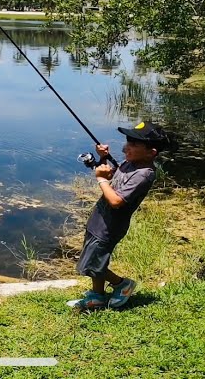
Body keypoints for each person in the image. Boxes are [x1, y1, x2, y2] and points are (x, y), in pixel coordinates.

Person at [67, 121, 168, 311]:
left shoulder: (144, 174)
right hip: (99, 219)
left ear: (151, 152)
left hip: (110, 226)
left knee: (92, 264)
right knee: (96, 259)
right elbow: (112, 178)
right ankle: (97, 296)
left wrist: (100, 179)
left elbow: (116, 201)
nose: (126, 147)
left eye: (134, 144)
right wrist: (103, 158)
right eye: (128, 142)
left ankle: (122, 284)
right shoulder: (130, 163)